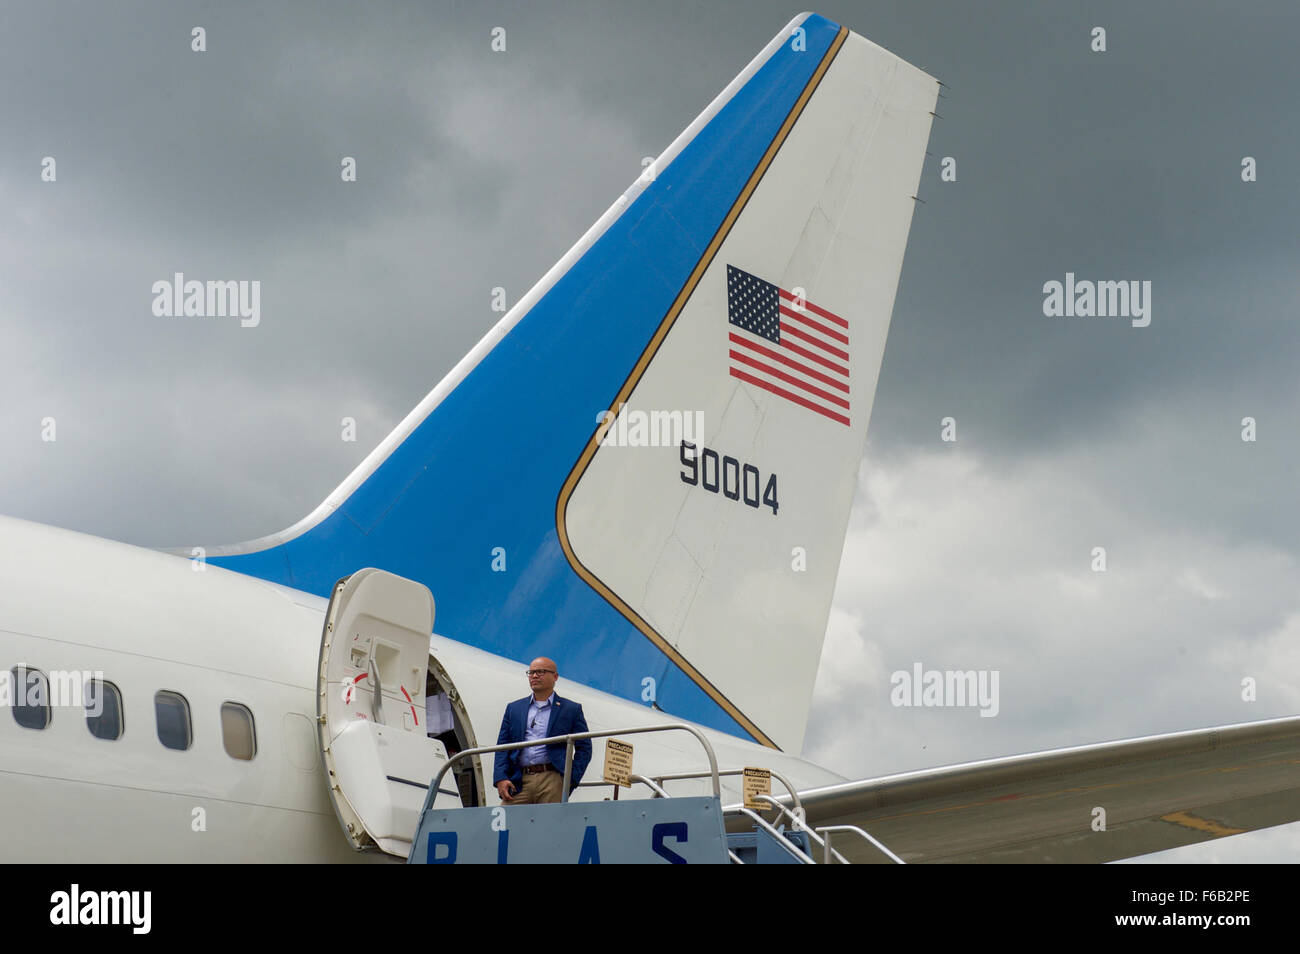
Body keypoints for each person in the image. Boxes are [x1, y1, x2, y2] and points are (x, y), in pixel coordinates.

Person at [494, 657, 591, 804]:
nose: (534, 676)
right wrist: (501, 778)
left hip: (552, 778)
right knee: (507, 824)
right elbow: (502, 746)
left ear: (555, 676)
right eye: (531, 672)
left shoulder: (571, 709)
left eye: (540, 672)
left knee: (549, 825)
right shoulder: (514, 708)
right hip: (518, 780)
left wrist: (571, 779)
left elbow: (584, 748)